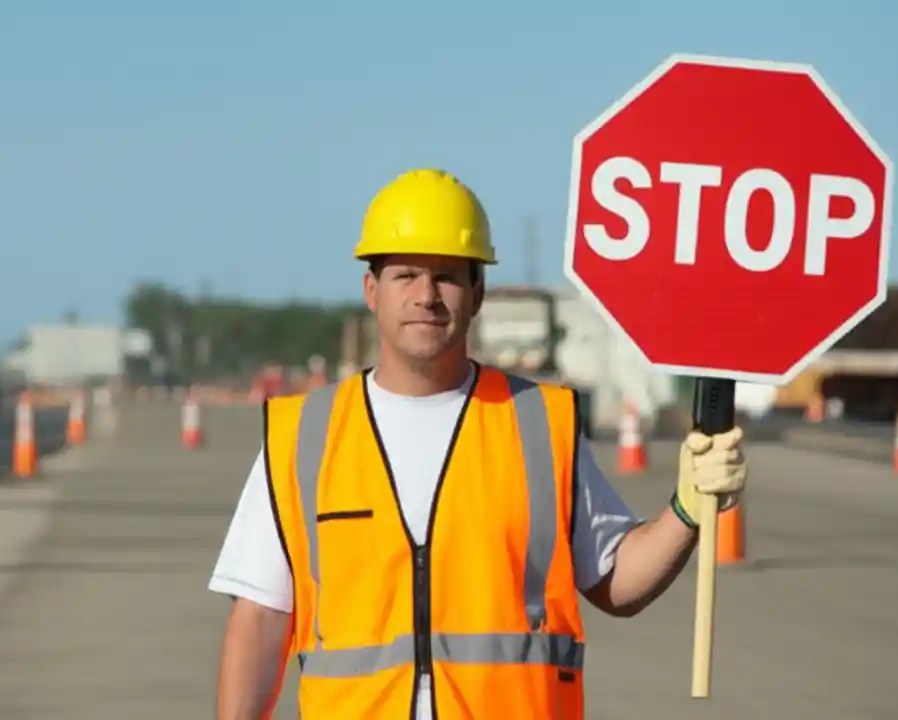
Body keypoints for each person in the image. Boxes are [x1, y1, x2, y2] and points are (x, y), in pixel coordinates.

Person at [208, 168, 749, 719]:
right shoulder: (304, 435)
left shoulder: (539, 424)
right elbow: (258, 619)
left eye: (446, 277)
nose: (426, 296)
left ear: (477, 292)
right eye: (406, 275)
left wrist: (687, 509)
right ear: (371, 291)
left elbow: (617, 582)